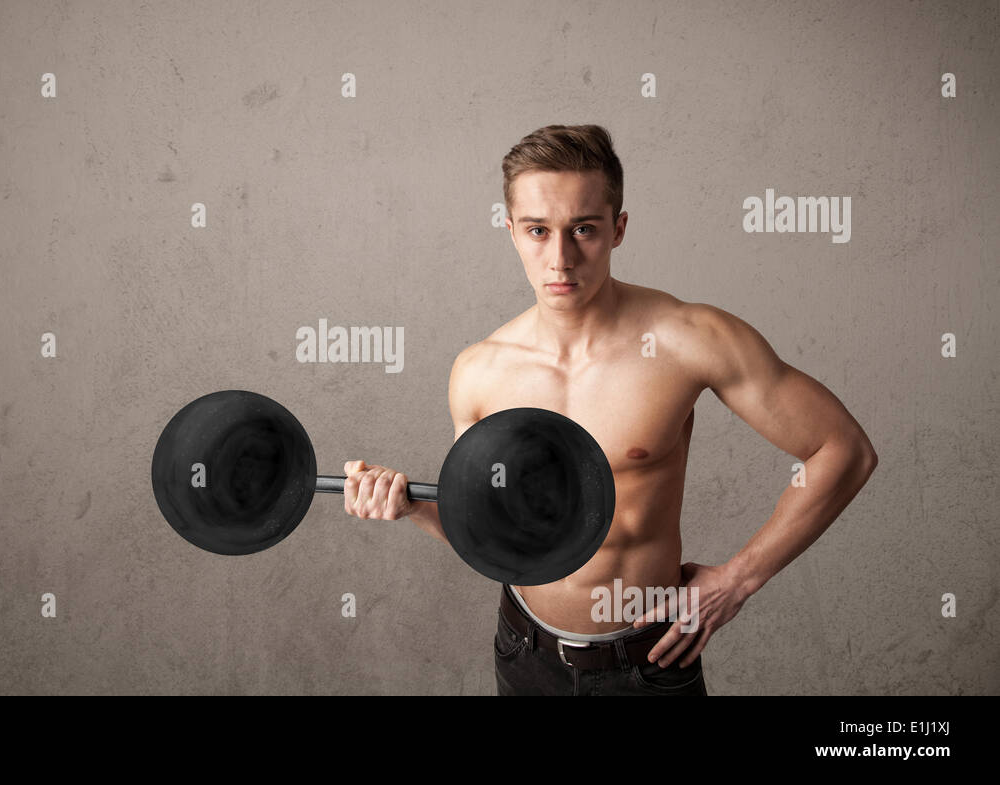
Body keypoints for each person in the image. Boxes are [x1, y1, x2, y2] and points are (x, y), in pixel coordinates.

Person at [342, 124, 878, 696]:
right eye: (538, 231)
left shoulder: (690, 338)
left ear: (618, 228)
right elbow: (490, 533)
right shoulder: (480, 371)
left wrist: (738, 580)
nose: (561, 258)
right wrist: (409, 508)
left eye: (584, 230)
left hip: (645, 662)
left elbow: (843, 450)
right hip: (525, 652)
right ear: (511, 232)